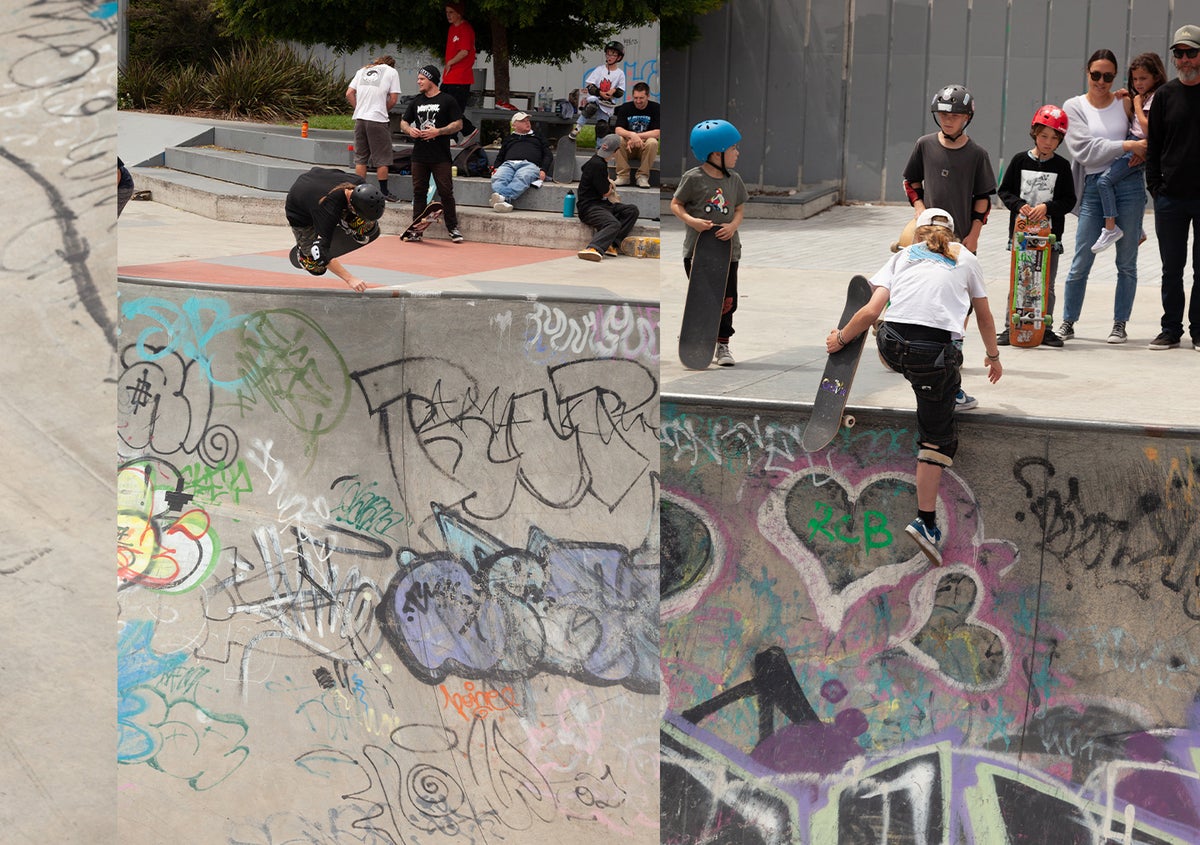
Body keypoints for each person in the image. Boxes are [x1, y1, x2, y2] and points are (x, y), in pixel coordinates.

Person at [823, 208, 1002, 566]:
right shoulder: (966, 258)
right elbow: (983, 316)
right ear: (952, 234)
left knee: (917, 356)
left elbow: (871, 311)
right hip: (932, 356)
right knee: (937, 437)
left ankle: (938, 383)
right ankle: (926, 522)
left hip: (892, 342)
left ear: (916, 234)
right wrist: (994, 356)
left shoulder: (903, 255)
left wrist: (840, 338)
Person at [902, 84, 997, 409]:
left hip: (960, 243)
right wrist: (919, 212)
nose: (948, 120)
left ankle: (949, 374)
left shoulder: (977, 155)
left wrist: (974, 235)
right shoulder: (924, 145)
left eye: (955, 115)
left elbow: (983, 199)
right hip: (925, 238)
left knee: (957, 309)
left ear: (967, 117)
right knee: (918, 295)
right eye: (943, 114)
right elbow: (911, 182)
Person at [1058, 49, 1148, 345]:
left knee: (1127, 262)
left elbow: (1143, 135)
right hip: (1094, 188)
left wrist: (1137, 149)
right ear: (1087, 73)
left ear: (1115, 77)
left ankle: (1120, 324)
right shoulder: (1074, 106)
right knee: (1081, 258)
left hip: (1131, 185)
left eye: (1108, 76)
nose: (1101, 81)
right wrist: (1125, 147)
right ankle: (1068, 321)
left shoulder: (1124, 102)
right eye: (1096, 74)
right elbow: (1086, 150)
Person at [995, 105, 1076, 347]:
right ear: (1034, 133)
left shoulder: (1062, 166)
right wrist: (1020, 204)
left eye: (1054, 138)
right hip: (1021, 235)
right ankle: (1011, 326)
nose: (1048, 142)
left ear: (1060, 140)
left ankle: (1046, 327)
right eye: (1043, 136)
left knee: (1046, 283)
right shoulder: (1020, 160)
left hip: (1049, 236)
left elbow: (1069, 200)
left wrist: (1047, 208)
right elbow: (1004, 190)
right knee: (1018, 280)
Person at [670, 119, 748, 367]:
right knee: (704, 298)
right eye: (733, 148)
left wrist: (733, 225)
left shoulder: (734, 179)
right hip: (697, 252)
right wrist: (691, 221)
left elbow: (739, 208)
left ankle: (722, 345)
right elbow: (675, 204)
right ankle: (696, 336)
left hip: (728, 253)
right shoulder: (692, 178)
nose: (737, 153)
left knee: (727, 301)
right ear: (716, 153)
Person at [1146, 24, 1200, 351]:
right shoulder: (1164, 96)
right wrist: (1156, 188)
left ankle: (1198, 330)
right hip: (1170, 199)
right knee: (1171, 269)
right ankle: (1170, 329)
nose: (1184, 59)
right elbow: (1154, 148)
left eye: (1190, 52)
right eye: (1179, 54)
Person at [1092, 52, 1167, 252]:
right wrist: (1128, 97)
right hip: (1134, 143)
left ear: (1156, 77)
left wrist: (1135, 103)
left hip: (1140, 143)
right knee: (1127, 185)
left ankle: (1110, 227)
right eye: (1135, 79)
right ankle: (1139, 229)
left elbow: (1147, 128)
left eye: (1143, 78)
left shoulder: (1155, 97)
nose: (1139, 83)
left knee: (1104, 181)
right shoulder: (1144, 97)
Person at [284, 167, 385, 293]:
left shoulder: (360, 184)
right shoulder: (328, 209)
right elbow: (319, 251)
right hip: (300, 211)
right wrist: (350, 279)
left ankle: (346, 220)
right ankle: (303, 254)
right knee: (316, 266)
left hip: (316, 184)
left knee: (367, 226)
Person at [399, 65, 464, 243]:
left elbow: (458, 124)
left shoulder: (447, 100)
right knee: (419, 192)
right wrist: (409, 130)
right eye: (418, 78)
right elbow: (403, 122)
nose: (418, 81)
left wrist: (439, 131)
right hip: (419, 155)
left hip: (441, 156)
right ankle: (416, 230)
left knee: (445, 192)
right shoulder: (416, 101)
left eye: (421, 79)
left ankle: (453, 228)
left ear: (431, 80)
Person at [346, 55, 402, 203]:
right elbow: (394, 98)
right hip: (377, 119)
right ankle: (383, 192)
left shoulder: (362, 70)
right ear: (392, 64)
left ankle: (359, 191)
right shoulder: (391, 72)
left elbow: (349, 93)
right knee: (382, 158)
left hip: (360, 119)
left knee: (361, 158)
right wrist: (383, 109)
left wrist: (359, 108)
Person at [576, 134, 640, 262]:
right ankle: (593, 248)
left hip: (602, 205)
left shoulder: (597, 161)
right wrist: (610, 184)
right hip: (589, 207)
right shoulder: (598, 165)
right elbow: (605, 192)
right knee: (612, 223)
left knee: (631, 210)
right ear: (616, 151)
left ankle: (612, 244)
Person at [488, 111, 552, 212]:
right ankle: (504, 202)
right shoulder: (509, 138)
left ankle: (502, 198)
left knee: (523, 177)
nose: (527, 123)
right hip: (508, 164)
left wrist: (543, 170)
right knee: (498, 177)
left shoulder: (538, 137)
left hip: (529, 165)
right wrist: (496, 168)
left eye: (528, 120)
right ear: (514, 125)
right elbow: (500, 156)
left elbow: (548, 155)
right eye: (523, 121)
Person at [569, 41, 625, 141]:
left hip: (608, 104)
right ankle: (578, 127)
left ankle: (599, 148)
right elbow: (590, 86)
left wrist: (613, 91)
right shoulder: (600, 69)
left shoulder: (620, 74)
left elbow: (621, 92)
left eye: (613, 54)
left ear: (619, 57)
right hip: (596, 99)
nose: (610, 57)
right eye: (608, 53)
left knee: (602, 126)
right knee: (591, 106)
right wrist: (600, 92)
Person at [442, 2, 479, 146]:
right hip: (449, 76)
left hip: (460, 76)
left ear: (459, 13)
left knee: (453, 107)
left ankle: (457, 134)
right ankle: (461, 132)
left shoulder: (465, 28)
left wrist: (450, 62)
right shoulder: (452, 29)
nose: (448, 15)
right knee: (442, 104)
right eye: (447, 12)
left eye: (451, 12)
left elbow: (465, 51)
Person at [612, 81, 660, 189]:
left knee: (652, 142)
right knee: (617, 139)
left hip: (644, 146)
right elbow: (618, 129)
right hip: (628, 146)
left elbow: (657, 132)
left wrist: (637, 137)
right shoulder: (625, 107)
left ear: (648, 96)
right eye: (635, 98)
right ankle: (623, 176)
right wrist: (631, 135)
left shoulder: (656, 108)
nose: (638, 101)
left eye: (641, 98)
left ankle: (642, 176)